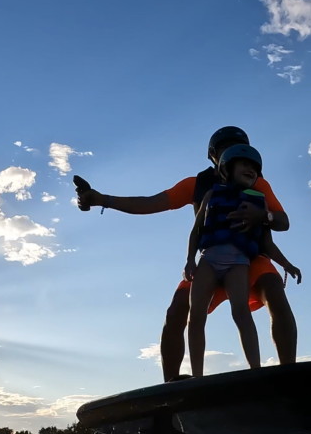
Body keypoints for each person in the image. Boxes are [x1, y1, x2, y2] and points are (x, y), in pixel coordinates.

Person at [76, 127, 298, 381]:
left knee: (274, 290)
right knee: (177, 311)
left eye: (242, 149)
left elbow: (282, 221)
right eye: (229, 149)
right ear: (214, 155)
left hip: (249, 258)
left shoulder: (257, 182)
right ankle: (172, 389)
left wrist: (264, 216)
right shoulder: (197, 185)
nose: (238, 156)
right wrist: (101, 199)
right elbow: (150, 203)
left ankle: (287, 376)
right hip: (211, 259)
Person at [185, 145, 299, 377]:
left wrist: (286, 264)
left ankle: (255, 370)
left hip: (238, 264)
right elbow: (196, 230)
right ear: (228, 168)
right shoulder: (211, 195)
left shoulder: (259, 203)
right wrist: (189, 260)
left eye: (254, 169)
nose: (251, 170)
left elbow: (267, 243)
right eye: (244, 164)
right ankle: (197, 377)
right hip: (210, 259)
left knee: (241, 312)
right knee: (196, 314)